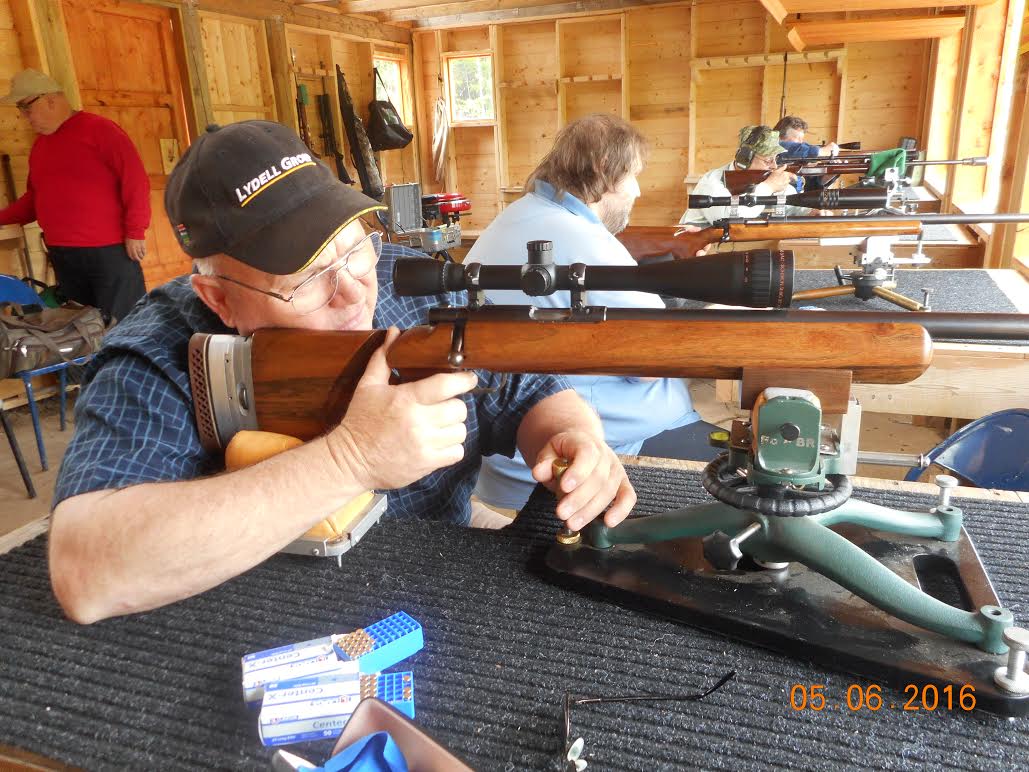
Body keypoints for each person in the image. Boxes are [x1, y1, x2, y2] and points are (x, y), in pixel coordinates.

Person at [48, 120, 636, 624]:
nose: (354, 289)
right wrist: (349, 460)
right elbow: (87, 571)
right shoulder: (158, 354)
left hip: (441, 577)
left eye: (354, 246)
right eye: (305, 277)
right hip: (258, 618)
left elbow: (527, 385)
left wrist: (576, 439)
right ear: (219, 298)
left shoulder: (410, 283)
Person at [465, 114, 702, 512]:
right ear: (605, 173)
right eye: (633, 176)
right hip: (593, 456)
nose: (638, 190)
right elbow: (660, 353)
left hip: (506, 466)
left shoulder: (517, 216)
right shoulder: (582, 238)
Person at [0, 69, 149, 323]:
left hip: (108, 253)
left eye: (26, 107)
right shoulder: (40, 146)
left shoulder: (101, 131)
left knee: (124, 325)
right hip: (64, 255)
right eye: (20, 110)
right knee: (83, 328)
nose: (25, 117)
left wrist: (135, 231)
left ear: (50, 99)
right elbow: (34, 200)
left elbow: (135, 181)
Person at [679, 125, 810, 227]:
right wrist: (768, 187)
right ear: (744, 159)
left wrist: (810, 212)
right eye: (768, 160)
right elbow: (730, 220)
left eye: (776, 159)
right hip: (694, 251)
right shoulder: (712, 182)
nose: (774, 166)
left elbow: (791, 207)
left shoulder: (763, 180)